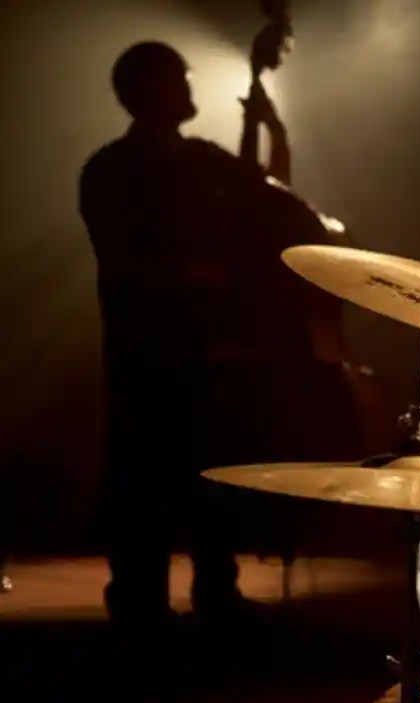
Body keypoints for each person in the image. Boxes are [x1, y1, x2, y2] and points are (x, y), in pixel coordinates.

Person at [78, 40, 291, 636]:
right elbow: (120, 258)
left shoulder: (200, 158)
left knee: (209, 475)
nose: (192, 87)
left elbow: (269, 201)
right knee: (145, 475)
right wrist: (190, 271)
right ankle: (139, 607)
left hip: (206, 347)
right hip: (147, 349)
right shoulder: (109, 170)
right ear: (150, 91)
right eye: (180, 78)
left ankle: (212, 595)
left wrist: (268, 127)